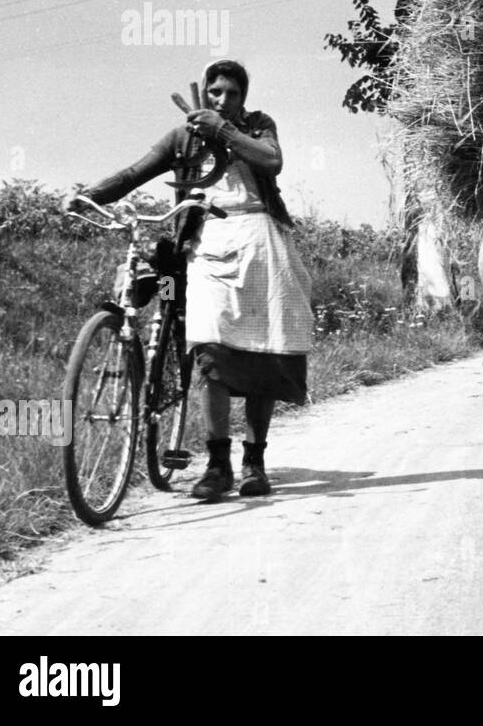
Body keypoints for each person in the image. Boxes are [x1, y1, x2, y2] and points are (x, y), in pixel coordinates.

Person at [63, 60, 313, 501]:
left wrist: (224, 131)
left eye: (230, 93)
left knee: (265, 349)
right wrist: (88, 195)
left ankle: (254, 460)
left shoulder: (256, 127)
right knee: (209, 348)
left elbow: (272, 162)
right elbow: (133, 173)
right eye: (214, 92)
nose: (220, 100)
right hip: (206, 245)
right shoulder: (183, 136)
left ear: (243, 97)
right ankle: (218, 465)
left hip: (260, 240)